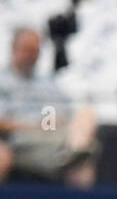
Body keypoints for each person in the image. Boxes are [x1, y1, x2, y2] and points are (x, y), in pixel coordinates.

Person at [0, 29, 98, 187]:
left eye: (36, 51)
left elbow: (57, 113)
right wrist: (31, 127)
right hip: (18, 142)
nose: (31, 56)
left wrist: (49, 123)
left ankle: (73, 155)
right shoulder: (3, 80)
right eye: (27, 50)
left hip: (52, 138)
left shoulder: (46, 83)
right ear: (14, 48)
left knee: (86, 114)